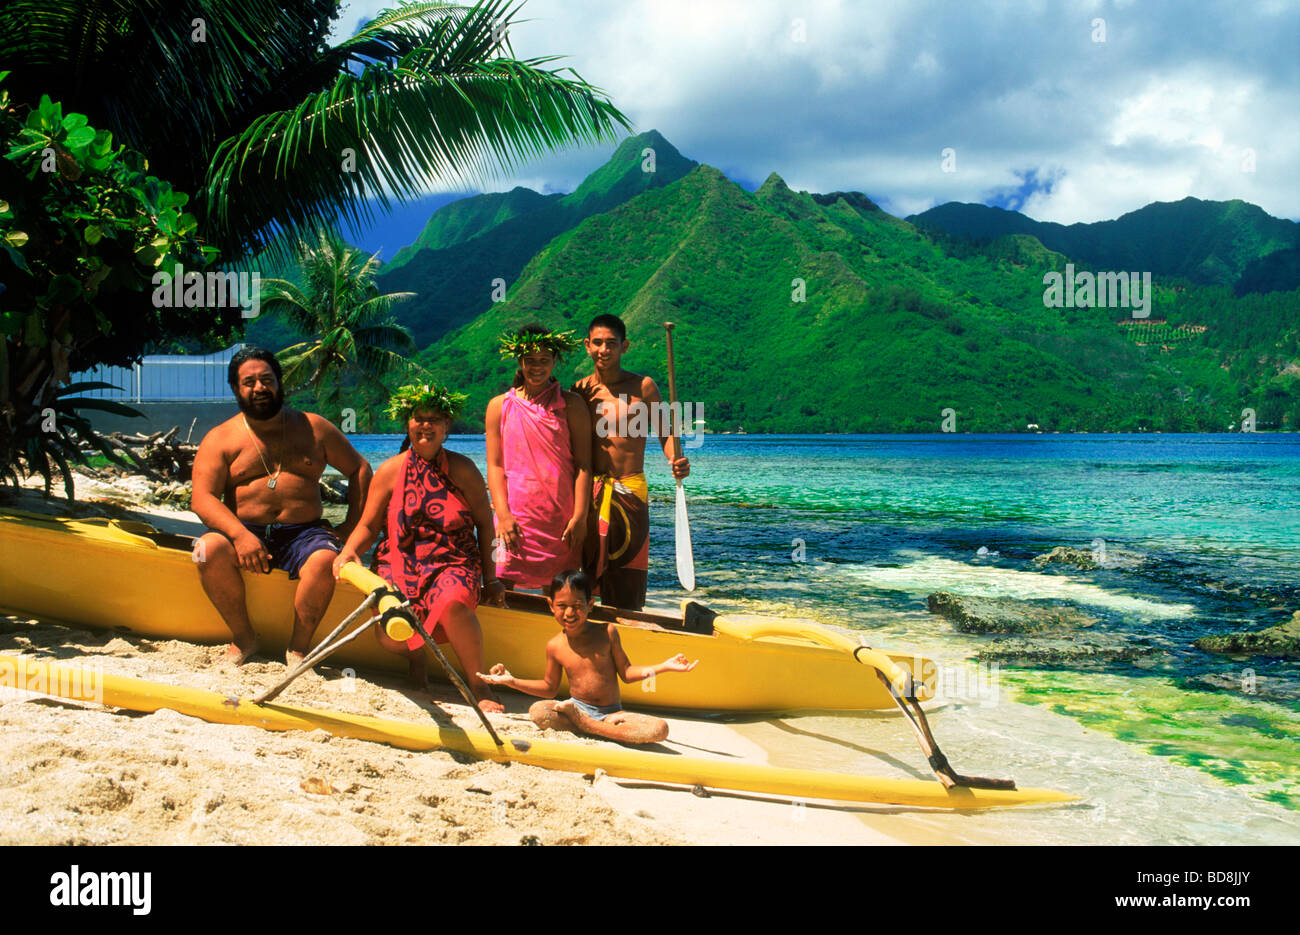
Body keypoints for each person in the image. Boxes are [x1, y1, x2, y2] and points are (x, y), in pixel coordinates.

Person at [191, 346, 372, 666]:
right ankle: (244, 639)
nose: (259, 387)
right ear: (235, 388)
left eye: (266, 379)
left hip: (305, 533)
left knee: (325, 560)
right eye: (249, 382)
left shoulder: (314, 427)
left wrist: (350, 527)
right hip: (244, 529)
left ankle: (298, 649)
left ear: (279, 382)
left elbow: (359, 469)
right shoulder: (221, 438)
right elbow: (202, 498)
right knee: (205, 548)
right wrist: (240, 536)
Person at [332, 382, 506, 713]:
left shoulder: (465, 469)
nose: (426, 425)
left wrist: (492, 577)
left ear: (447, 427)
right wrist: (349, 551)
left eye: (435, 419)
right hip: (400, 560)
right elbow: (369, 526)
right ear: (407, 423)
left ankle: (479, 683)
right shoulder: (390, 470)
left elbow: (486, 525)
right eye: (419, 418)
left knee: (453, 599)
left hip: (454, 560)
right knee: (391, 631)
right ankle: (417, 657)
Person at [477, 569, 697, 744]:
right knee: (538, 711)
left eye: (577, 606)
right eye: (562, 606)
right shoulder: (555, 645)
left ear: (590, 605)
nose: (570, 613)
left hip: (611, 713)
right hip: (577, 706)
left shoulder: (607, 632)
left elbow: (627, 673)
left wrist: (663, 666)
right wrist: (511, 681)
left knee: (660, 729)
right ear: (551, 606)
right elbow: (549, 688)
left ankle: (584, 724)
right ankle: (591, 724)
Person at [571, 314, 690, 610]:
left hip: (630, 489)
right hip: (590, 491)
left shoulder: (643, 387)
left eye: (611, 343)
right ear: (587, 346)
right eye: (597, 343)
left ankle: (629, 623)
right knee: (586, 568)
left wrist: (676, 459)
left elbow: (665, 433)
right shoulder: (579, 391)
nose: (604, 349)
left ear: (624, 347)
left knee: (627, 569)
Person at [485, 325, 592, 593]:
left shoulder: (572, 405)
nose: (537, 367)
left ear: (555, 361)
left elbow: (584, 465)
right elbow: (495, 466)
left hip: (560, 518)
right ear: (519, 361)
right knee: (501, 582)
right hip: (514, 516)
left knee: (558, 590)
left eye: (544, 360)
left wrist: (580, 516)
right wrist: (503, 513)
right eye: (530, 361)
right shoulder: (500, 406)